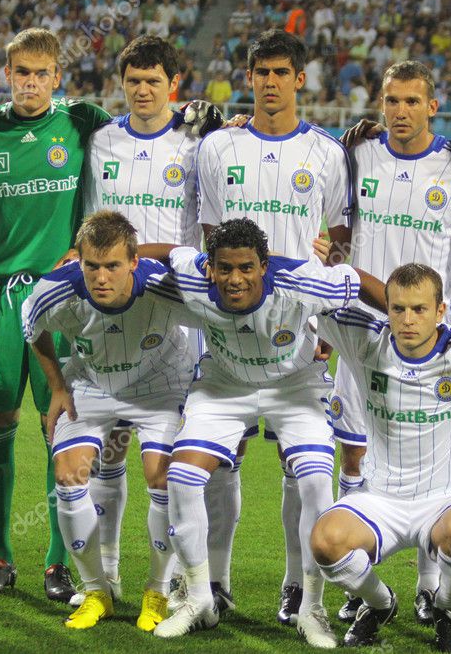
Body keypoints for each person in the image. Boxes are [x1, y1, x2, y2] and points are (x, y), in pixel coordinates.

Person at [142, 218, 384, 648]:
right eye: (225, 268)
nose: (235, 279)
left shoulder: (302, 282)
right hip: (224, 386)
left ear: (264, 265)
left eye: (246, 268)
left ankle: (311, 608)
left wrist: (405, 315)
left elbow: (356, 280)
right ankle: (199, 600)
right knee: (181, 477)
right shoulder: (193, 276)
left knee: (313, 481)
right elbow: (164, 253)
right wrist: (100, 258)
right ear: (210, 268)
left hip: (294, 387)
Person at [196, 28, 353, 630]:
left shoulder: (327, 153)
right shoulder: (217, 149)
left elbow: (336, 242)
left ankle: (295, 585)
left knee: (301, 464)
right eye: (260, 73)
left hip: (299, 333)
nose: (269, 83)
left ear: (299, 79)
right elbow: (210, 238)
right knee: (224, 457)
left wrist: (325, 265)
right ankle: (217, 579)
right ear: (249, 79)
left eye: (280, 72)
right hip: (231, 329)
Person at [326, 59, 451, 627]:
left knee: (429, 459)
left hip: (431, 331)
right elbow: (339, 231)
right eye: (391, 101)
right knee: (354, 448)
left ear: (432, 106)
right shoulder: (357, 153)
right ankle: (360, 574)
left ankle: (426, 586)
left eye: (412, 102)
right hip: (366, 331)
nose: (400, 112)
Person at [0, 27, 111, 600]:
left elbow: (149, 132)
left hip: (60, 297)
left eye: (43, 74)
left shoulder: (81, 122)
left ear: (58, 77)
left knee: (59, 425)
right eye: (23, 73)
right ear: (7, 72)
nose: (32, 84)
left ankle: (56, 562)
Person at [81, 35, 220, 626]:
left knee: (159, 465)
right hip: (106, 317)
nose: (141, 91)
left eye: (152, 82)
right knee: (107, 457)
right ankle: (104, 579)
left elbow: (209, 228)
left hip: (172, 317)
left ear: (174, 87)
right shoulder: (101, 141)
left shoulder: (196, 142)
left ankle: (159, 586)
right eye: (132, 81)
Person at [20, 211, 197, 631]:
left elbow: (219, 313)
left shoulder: (167, 286)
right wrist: (57, 387)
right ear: (78, 261)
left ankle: (157, 589)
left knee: (162, 478)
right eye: (92, 266)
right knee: (67, 475)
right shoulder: (55, 290)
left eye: (113, 266)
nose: (101, 277)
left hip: (161, 387)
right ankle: (97, 589)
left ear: (133, 262)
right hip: (94, 386)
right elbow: (33, 329)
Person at [312, 264, 451, 652]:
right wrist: (317, 263)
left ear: (441, 310)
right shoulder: (365, 340)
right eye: (397, 309)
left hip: (447, 498)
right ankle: (379, 604)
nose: (407, 320)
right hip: (381, 497)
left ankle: (446, 608)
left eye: (419, 309)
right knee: (325, 542)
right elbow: (305, 293)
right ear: (386, 308)